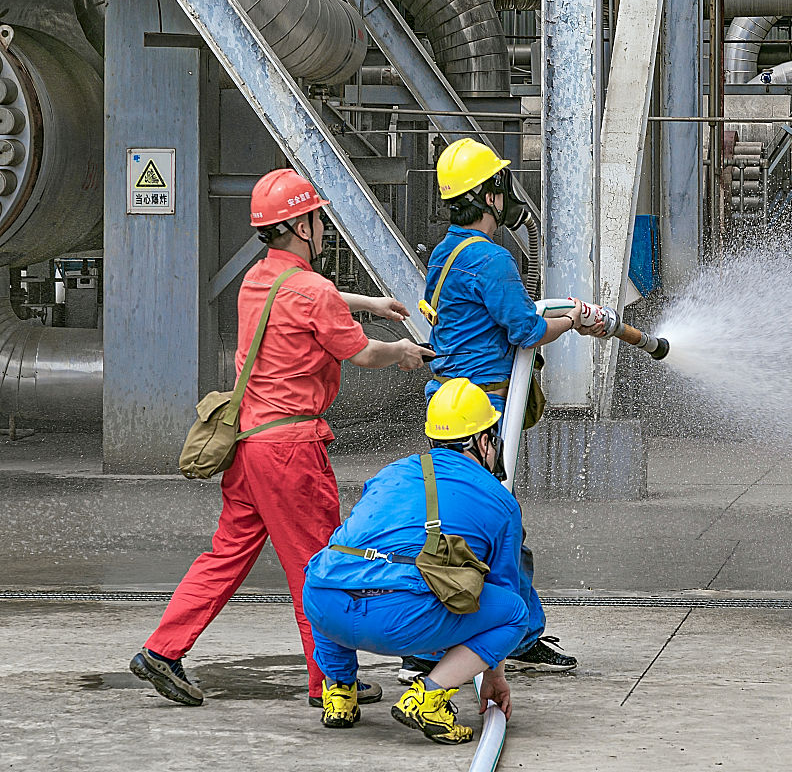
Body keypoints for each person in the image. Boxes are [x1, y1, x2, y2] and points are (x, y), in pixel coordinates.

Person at [129, 169, 435, 709]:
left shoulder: (256, 280)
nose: (323, 227)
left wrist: (367, 302)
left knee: (225, 555)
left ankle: (162, 650)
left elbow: (303, 294)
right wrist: (405, 352)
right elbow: (361, 352)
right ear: (299, 225)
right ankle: (331, 682)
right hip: (291, 452)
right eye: (317, 218)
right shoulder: (313, 291)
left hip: (247, 444)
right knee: (319, 567)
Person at [398, 138, 601, 681]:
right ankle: (479, 639)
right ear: (489, 195)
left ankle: (488, 633)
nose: (509, 194)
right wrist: (577, 321)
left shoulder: (447, 252)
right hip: (484, 409)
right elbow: (528, 329)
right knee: (490, 524)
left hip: (448, 402)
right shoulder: (491, 259)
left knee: (466, 520)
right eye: (501, 185)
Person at [302, 378, 527, 743]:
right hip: (400, 621)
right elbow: (500, 592)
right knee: (515, 611)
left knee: (335, 569)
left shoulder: (390, 473)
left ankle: (340, 694)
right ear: (484, 440)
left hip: (324, 606)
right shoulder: (500, 502)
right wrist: (492, 674)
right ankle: (428, 698)